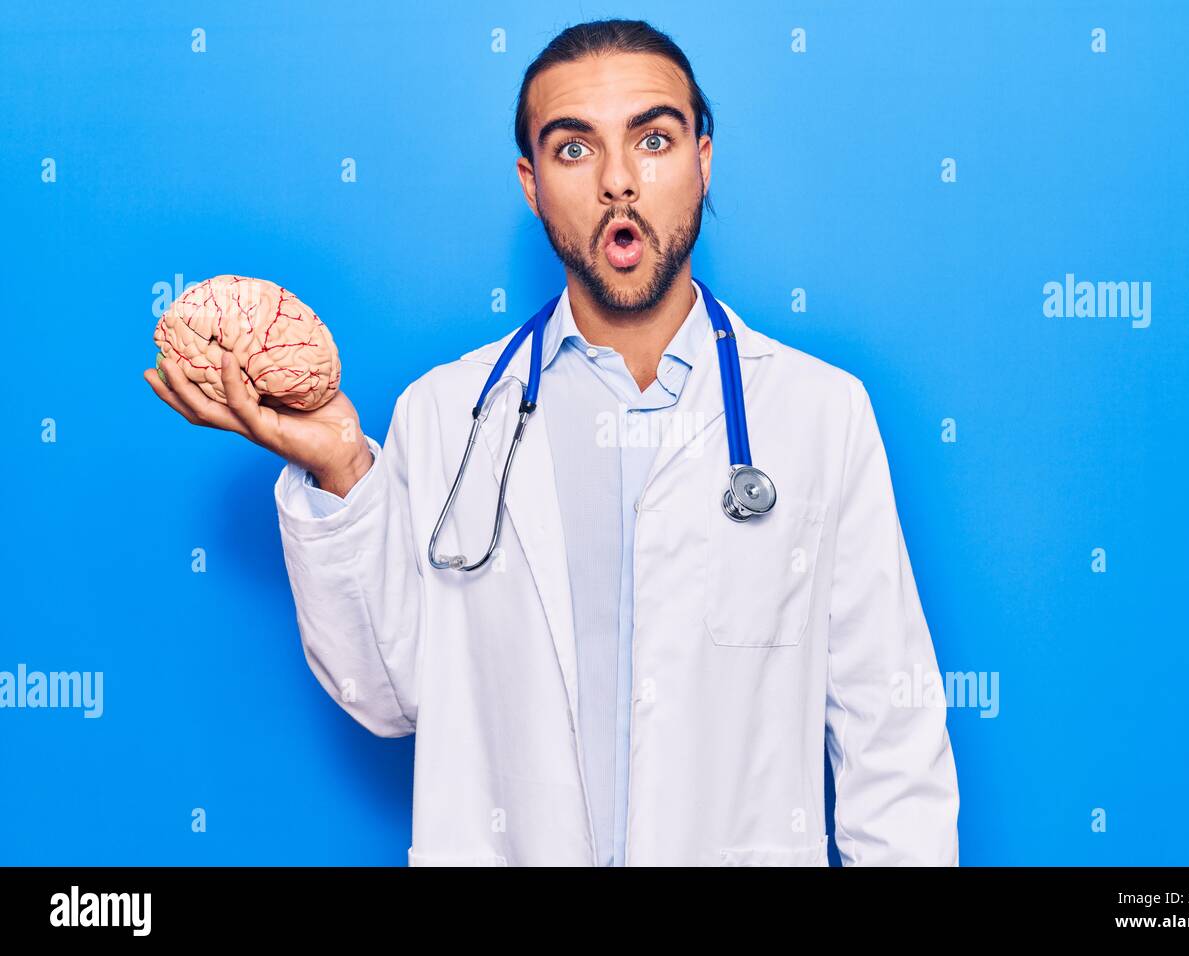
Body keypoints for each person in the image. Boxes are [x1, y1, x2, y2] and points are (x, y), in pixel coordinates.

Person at [143, 18, 959, 867]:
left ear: (703, 159)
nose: (619, 182)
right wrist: (342, 466)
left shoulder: (819, 414)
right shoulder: (448, 413)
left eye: (653, 139)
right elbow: (390, 696)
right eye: (575, 150)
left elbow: (891, 742)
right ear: (531, 183)